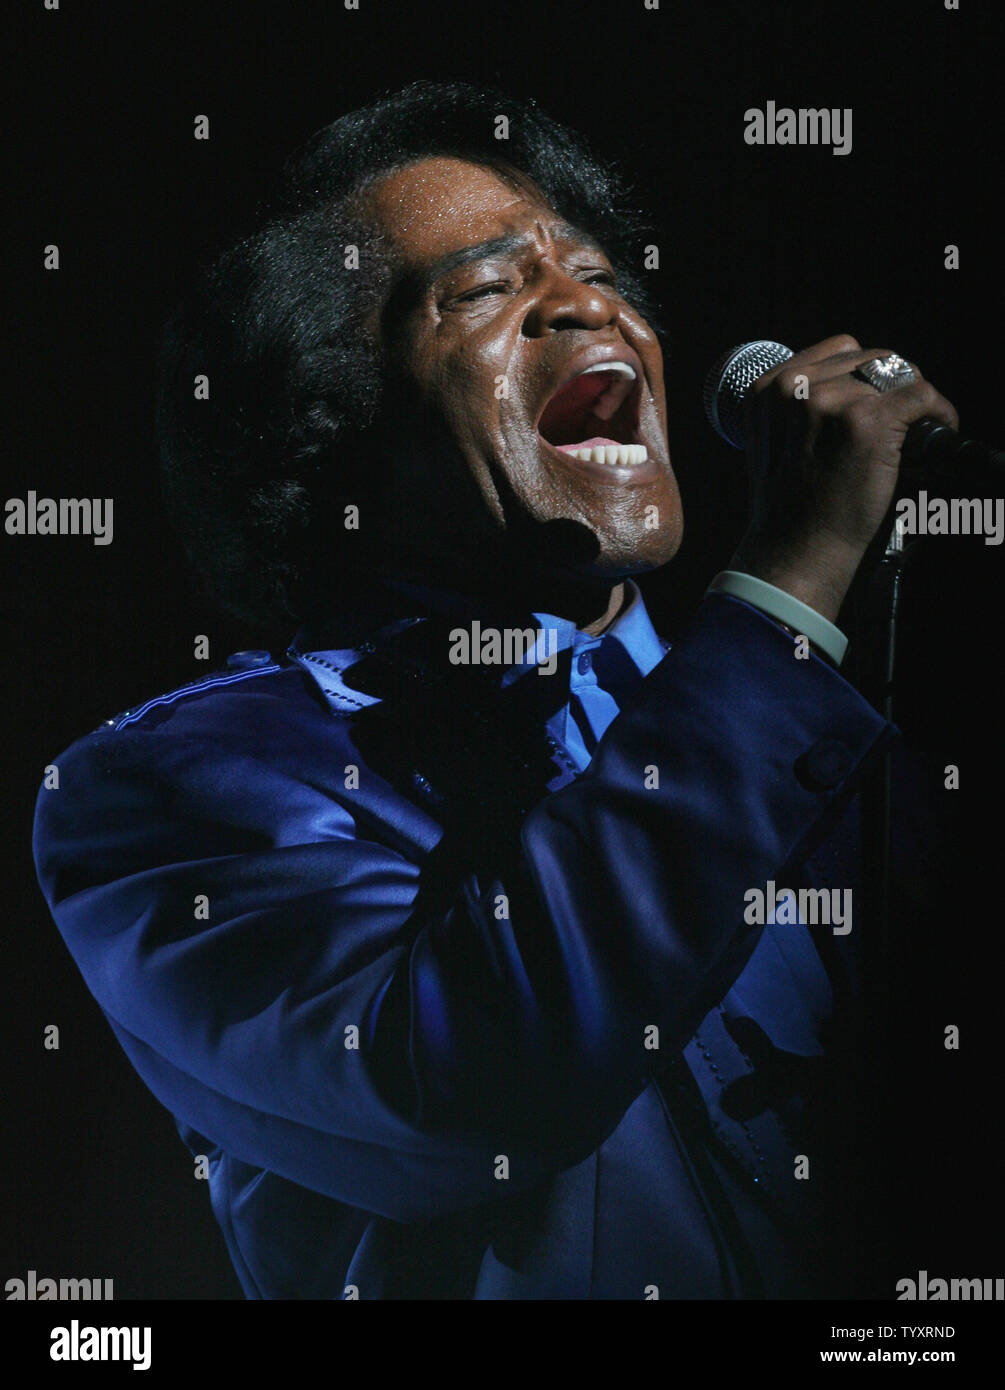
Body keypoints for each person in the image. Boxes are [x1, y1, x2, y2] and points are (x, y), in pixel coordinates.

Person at [33, 81, 958, 1300]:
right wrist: (787, 588)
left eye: (602, 275)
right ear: (334, 423)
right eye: (484, 290)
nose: (587, 304)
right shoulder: (167, 789)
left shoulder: (813, 732)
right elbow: (471, 1080)